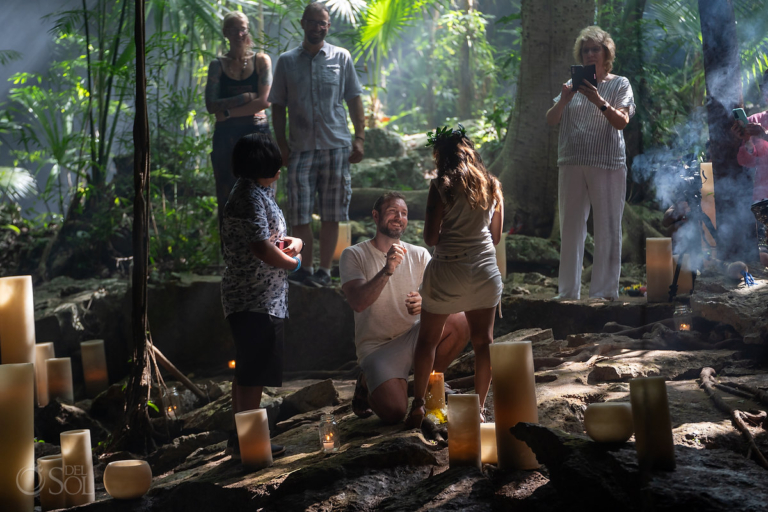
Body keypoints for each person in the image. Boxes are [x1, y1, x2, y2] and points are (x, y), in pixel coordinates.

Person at [339, 192, 470, 424]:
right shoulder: (354, 254)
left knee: (461, 320)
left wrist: (426, 303)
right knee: (395, 413)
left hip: (417, 339)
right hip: (378, 349)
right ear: (376, 216)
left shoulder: (419, 254)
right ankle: (367, 382)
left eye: (404, 213)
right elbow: (358, 302)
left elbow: (444, 298)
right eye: (392, 212)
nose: (399, 217)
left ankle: (431, 384)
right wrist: (387, 269)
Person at [405, 126, 504, 428]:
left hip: (448, 272)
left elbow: (431, 238)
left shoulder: (441, 186)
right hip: (484, 272)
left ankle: (419, 405)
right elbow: (495, 237)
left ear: (441, 156)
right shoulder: (492, 185)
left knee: (428, 341)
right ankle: (479, 409)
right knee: (483, 342)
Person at [269, 2, 366, 288]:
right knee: (299, 212)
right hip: (299, 149)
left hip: (336, 146)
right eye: (312, 22)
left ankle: (324, 270)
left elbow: (354, 99)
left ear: (328, 26)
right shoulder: (286, 61)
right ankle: (304, 268)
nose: (317, 27)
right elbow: (278, 106)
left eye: (322, 23)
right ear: (303, 24)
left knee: (332, 213)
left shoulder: (341, 57)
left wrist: (360, 138)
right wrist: (281, 145)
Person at [220, 133, 304, 459]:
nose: (279, 171)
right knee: (252, 373)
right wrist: (294, 263)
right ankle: (251, 445)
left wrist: (294, 243)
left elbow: (270, 238)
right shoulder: (248, 197)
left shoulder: (256, 192)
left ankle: (242, 439)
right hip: (253, 297)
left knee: (249, 370)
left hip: (263, 296)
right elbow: (260, 247)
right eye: (274, 166)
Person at [545, 26, 635, 300]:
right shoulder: (571, 85)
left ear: (606, 53)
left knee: (608, 226)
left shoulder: (620, 84)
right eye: (585, 50)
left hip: (607, 163)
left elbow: (622, 121)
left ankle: (604, 292)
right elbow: (551, 119)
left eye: (596, 49)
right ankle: (567, 292)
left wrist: (598, 100)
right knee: (570, 227)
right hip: (571, 161)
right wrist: (564, 100)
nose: (590, 54)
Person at [205, 11, 273, 235]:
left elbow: (264, 101)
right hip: (227, 139)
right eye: (234, 30)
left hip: (257, 136)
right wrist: (246, 97)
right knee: (227, 195)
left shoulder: (261, 61)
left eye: (242, 29)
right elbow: (211, 105)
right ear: (226, 33)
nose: (239, 34)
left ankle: (266, 247)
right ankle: (231, 249)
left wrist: (228, 112)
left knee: (262, 192)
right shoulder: (217, 65)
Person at [732, 69, 768, 267]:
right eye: (766, 88)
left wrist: (764, 135)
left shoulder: (760, 127)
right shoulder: (755, 121)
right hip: (763, 200)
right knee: (760, 257)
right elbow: (746, 161)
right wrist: (746, 141)